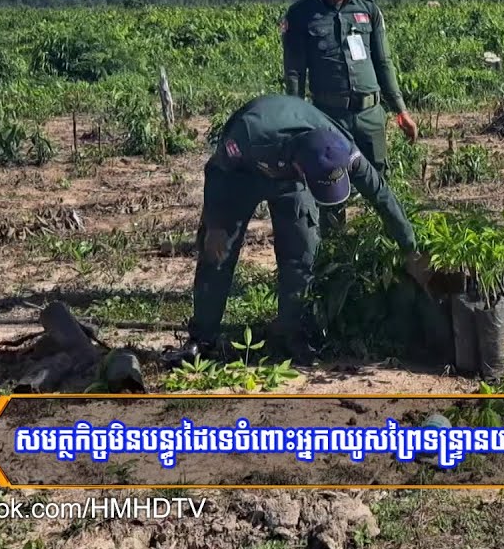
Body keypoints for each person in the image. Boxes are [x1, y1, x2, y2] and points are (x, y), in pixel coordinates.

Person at [173, 94, 429, 367]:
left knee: (302, 251)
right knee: (218, 253)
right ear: (301, 167)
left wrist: (409, 247)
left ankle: (291, 333)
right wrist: (214, 225)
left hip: (290, 182)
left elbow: (381, 195)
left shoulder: (343, 149)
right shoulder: (249, 135)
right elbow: (217, 171)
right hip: (240, 176)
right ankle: (202, 338)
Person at [281, 0, 420, 235]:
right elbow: (295, 74)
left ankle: (381, 247)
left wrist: (401, 111)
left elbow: (384, 63)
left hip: (371, 114)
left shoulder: (367, 9)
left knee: (379, 185)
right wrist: (295, 125)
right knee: (331, 187)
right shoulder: (301, 14)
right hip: (330, 117)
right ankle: (336, 255)